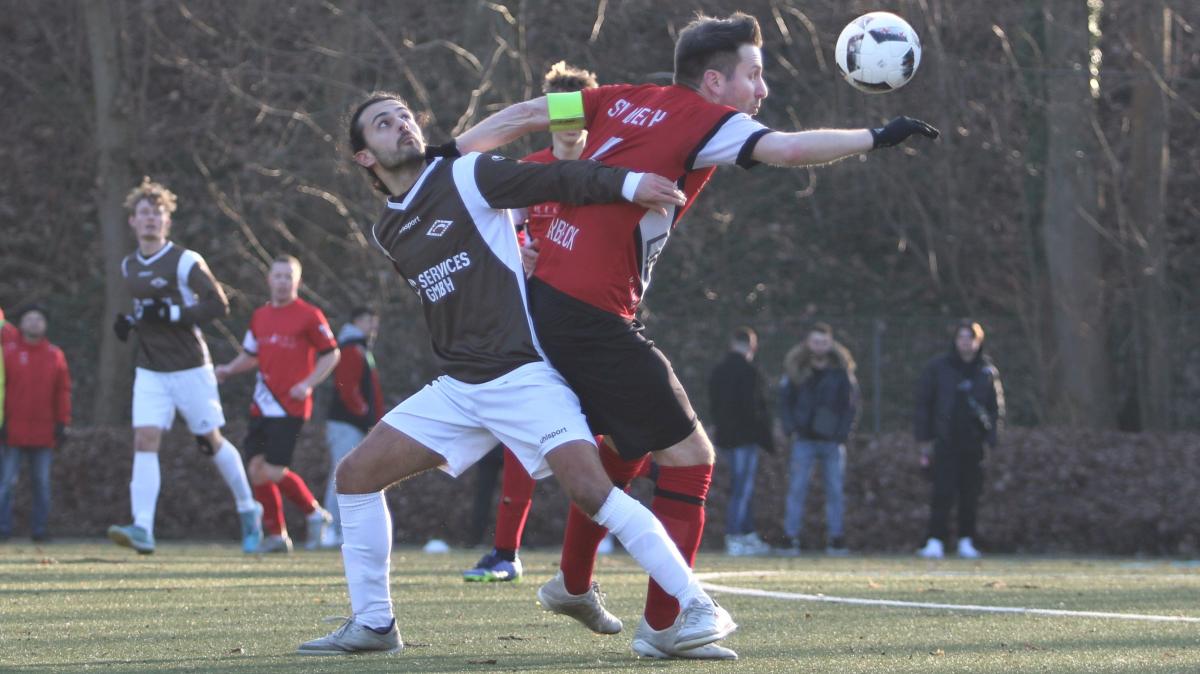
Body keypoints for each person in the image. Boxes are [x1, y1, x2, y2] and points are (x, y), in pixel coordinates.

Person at [452, 10, 937, 660]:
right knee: (693, 459)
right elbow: (789, 148)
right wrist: (877, 135)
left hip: (557, 304)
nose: (762, 91)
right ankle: (666, 625)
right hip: (587, 316)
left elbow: (526, 110)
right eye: (754, 75)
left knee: (623, 452)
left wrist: (446, 156)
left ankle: (572, 582)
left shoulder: (620, 96)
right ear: (715, 80)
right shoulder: (708, 120)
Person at [297, 92, 734, 657]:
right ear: (364, 157)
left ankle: (697, 605)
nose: (402, 125)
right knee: (354, 475)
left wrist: (628, 184)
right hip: (460, 388)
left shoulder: (467, 174)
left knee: (593, 492)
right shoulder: (388, 230)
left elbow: (560, 180)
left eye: (405, 116)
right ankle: (374, 625)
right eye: (384, 123)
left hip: (524, 376)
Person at [462, 60, 600, 584]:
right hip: (539, 320)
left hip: (599, 320)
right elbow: (502, 229)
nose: (568, 119)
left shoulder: (609, 166)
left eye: (578, 108)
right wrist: (521, 252)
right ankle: (505, 552)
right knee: (526, 431)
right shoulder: (530, 168)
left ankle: (588, 551)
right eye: (556, 110)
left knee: (606, 437)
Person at [107, 178, 262, 555]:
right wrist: (131, 323)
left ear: (167, 222)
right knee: (145, 440)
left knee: (211, 443)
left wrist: (175, 312)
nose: (150, 220)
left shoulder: (185, 260)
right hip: (150, 370)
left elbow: (217, 305)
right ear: (132, 221)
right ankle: (142, 527)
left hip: (191, 367)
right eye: (143, 213)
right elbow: (148, 312)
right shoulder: (129, 266)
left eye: (157, 214)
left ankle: (248, 510)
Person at [215, 255, 340, 553]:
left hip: (290, 406)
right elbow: (251, 354)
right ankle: (276, 535)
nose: (283, 281)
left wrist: (307, 384)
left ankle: (314, 513)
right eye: (278, 276)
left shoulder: (310, 315)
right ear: (269, 280)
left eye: (289, 276)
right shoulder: (260, 316)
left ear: (297, 281)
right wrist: (229, 369)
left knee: (271, 470)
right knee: (256, 469)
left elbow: (332, 354)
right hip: (262, 404)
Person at [914, 320, 1005, 560]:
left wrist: (991, 437)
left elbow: (996, 409)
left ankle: (967, 540)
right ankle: (935, 540)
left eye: (970, 337)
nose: (966, 342)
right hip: (945, 441)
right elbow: (924, 404)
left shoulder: (986, 371)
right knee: (942, 492)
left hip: (973, 443)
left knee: (970, 494)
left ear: (979, 341)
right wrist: (924, 438)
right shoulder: (939, 368)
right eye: (962, 337)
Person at [778, 322, 859, 555]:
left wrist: (843, 433)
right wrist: (791, 428)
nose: (820, 347)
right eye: (815, 341)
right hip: (804, 440)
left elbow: (851, 405)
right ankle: (790, 537)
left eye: (824, 342)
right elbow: (785, 402)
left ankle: (836, 538)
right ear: (807, 343)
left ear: (830, 343)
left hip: (832, 441)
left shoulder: (842, 372)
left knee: (835, 490)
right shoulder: (795, 370)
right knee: (797, 488)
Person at [0, 305, 70, 542]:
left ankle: (39, 530)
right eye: (29, 318)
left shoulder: (54, 355)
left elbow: (62, 392)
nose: (34, 323)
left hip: (44, 432)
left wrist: (62, 422)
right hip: (13, 431)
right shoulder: (7, 353)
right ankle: (3, 528)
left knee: (42, 484)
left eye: (39, 318)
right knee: (7, 483)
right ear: (20, 324)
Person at [707, 326, 773, 557]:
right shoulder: (750, 372)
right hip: (744, 438)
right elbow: (756, 409)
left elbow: (715, 406)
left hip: (725, 438)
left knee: (739, 487)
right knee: (742, 488)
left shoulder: (718, 371)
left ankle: (746, 533)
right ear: (752, 346)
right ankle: (736, 535)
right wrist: (766, 438)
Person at [323, 306, 384, 548]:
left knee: (349, 474)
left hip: (355, 424)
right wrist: (364, 414)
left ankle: (343, 529)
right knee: (340, 475)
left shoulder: (360, 347)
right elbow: (347, 388)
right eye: (370, 320)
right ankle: (330, 528)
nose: (373, 327)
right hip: (346, 423)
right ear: (357, 320)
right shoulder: (350, 348)